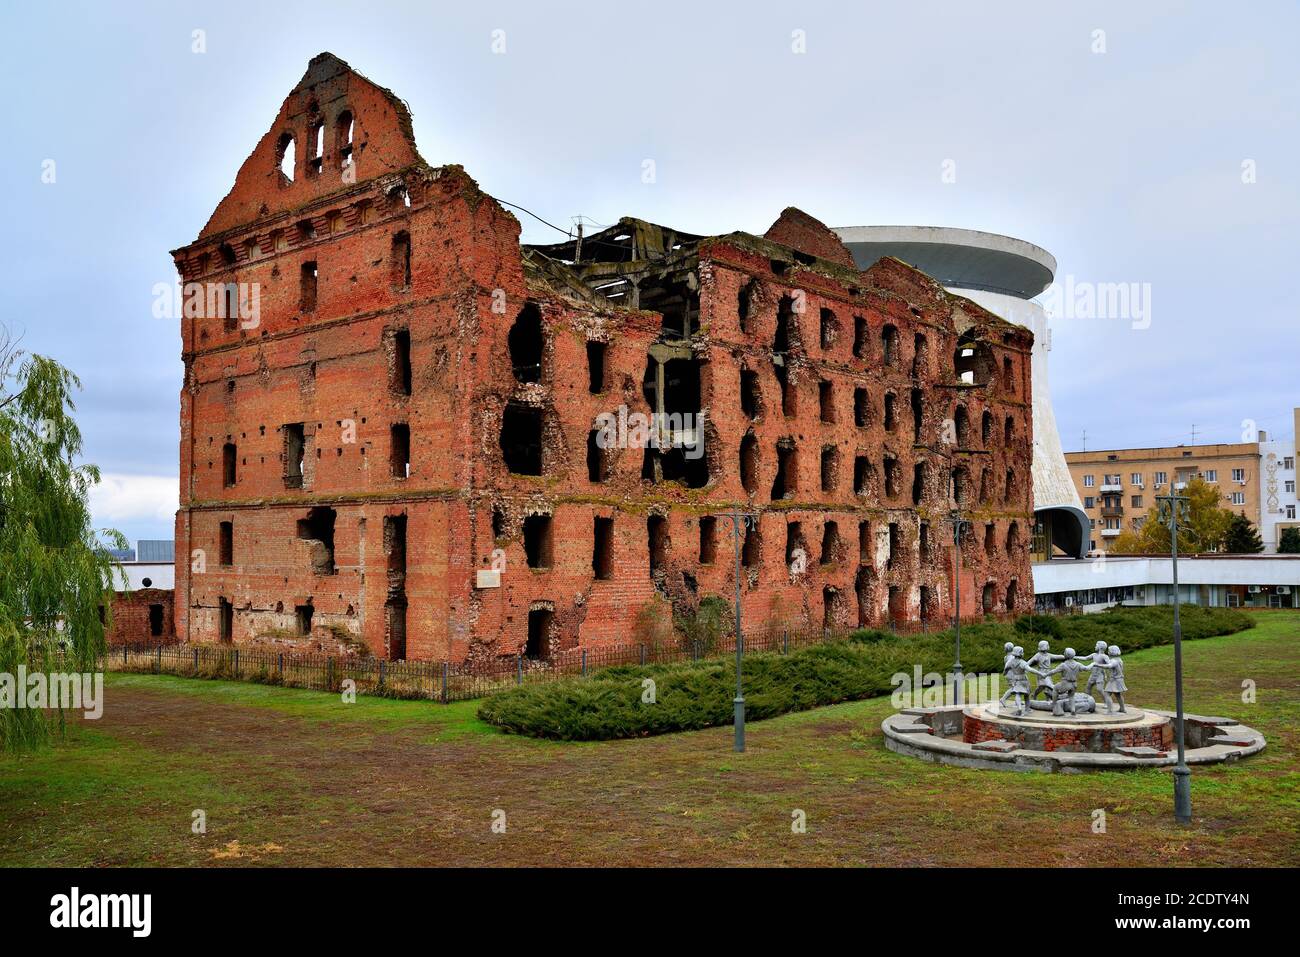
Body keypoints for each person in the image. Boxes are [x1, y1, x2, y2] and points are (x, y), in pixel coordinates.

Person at [1040, 648, 1086, 716]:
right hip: (1074, 684)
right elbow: (1087, 668)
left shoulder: (1063, 665)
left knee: (1055, 688)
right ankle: (1073, 710)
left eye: (1064, 652)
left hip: (1065, 683)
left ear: (1066, 655)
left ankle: (1054, 704)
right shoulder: (1078, 664)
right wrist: (1093, 664)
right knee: (1071, 696)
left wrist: (1045, 675)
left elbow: (1054, 671)